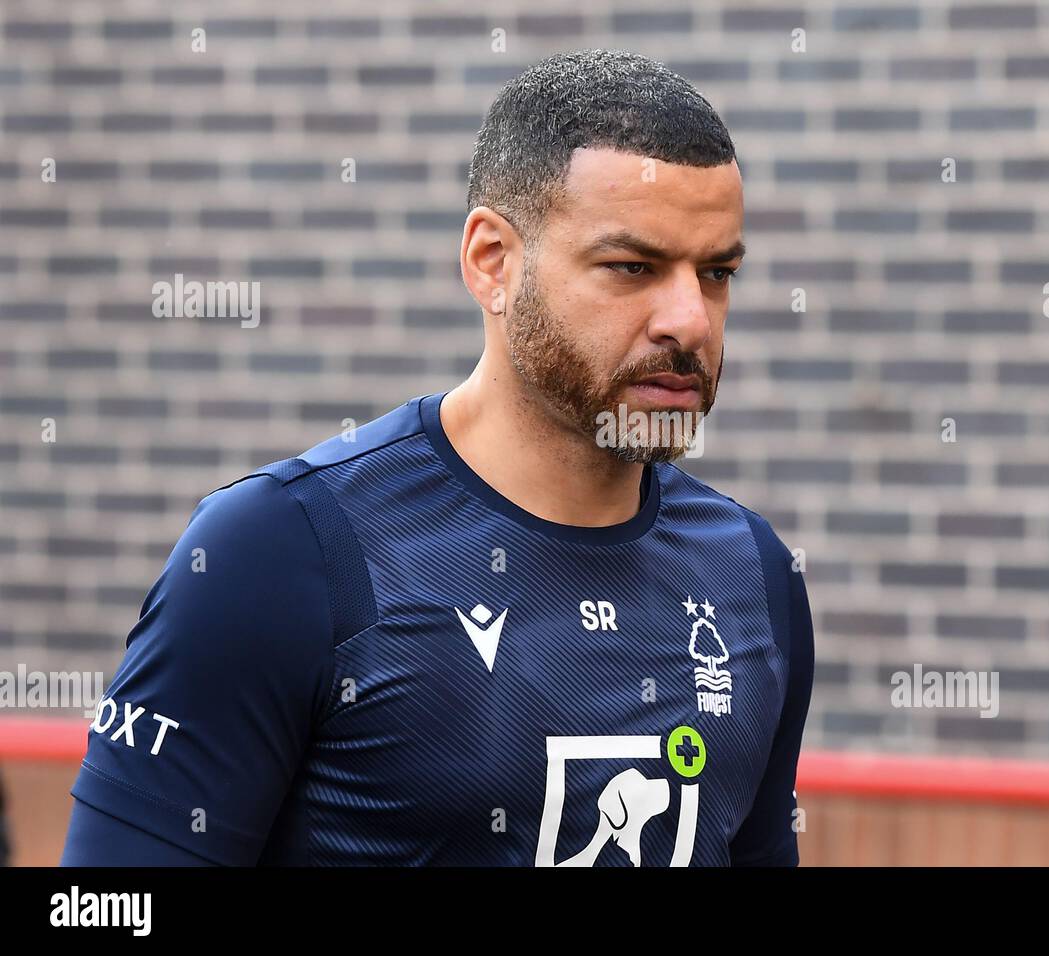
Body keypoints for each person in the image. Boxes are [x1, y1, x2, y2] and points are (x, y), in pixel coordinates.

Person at [61, 49, 813, 866]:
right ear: (492, 261)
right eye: (632, 267)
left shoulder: (752, 574)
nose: (690, 321)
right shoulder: (277, 553)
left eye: (716, 274)